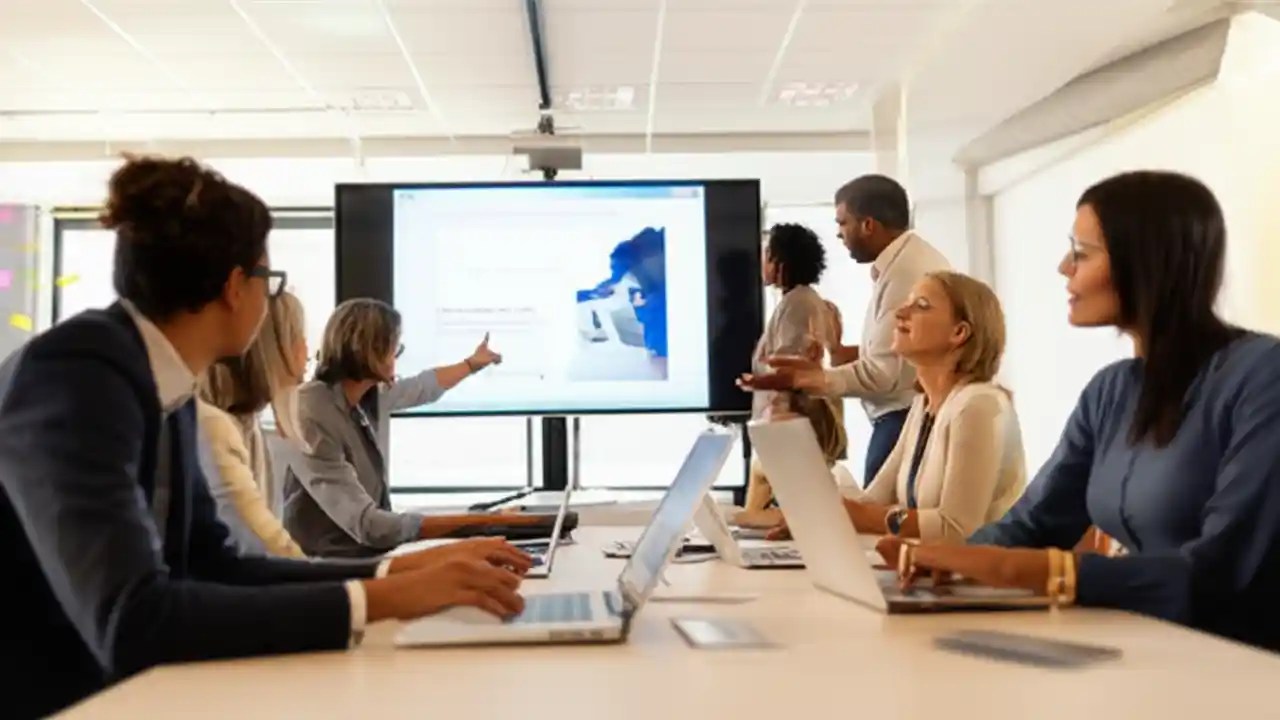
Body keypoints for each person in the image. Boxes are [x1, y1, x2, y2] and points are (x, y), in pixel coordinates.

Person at [0, 155, 532, 718]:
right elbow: (133, 621)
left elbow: (218, 566)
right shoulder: (75, 373)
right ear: (236, 286)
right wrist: (387, 596)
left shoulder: (161, 379)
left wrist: (401, 570)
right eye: (268, 278)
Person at [879, 171, 1280, 653]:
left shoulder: (1262, 375)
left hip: (1246, 666)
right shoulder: (1111, 391)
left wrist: (1051, 572)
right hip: (1154, 649)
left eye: (1082, 253)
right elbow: (1033, 525)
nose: (1063, 267)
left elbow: (1222, 569)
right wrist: (943, 561)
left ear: (1144, 262)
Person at [773, 271, 1025, 542]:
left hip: (981, 581)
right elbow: (871, 502)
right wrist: (811, 502)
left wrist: (843, 512)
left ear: (959, 332)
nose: (900, 313)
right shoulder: (923, 406)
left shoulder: (979, 405)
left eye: (922, 305)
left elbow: (956, 528)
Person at [284, 298, 542, 557]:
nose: (396, 357)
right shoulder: (311, 412)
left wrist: (471, 364)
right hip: (324, 569)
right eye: (394, 348)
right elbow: (367, 525)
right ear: (370, 349)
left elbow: (423, 387)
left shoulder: (369, 394)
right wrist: (481, 524)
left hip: (366, 555)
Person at [742, 175, 950, 484]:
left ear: (868, 225)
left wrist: (814, 378)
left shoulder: (907, 272)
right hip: (900, 413)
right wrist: (838, 355)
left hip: (899, 414)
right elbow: (890, 358)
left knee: (872, 518)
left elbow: (886, 373)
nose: (839, 235)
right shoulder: (902, 265)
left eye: (842, 224)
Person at [738, 223, 846, 516]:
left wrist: (756, 382)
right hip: (778, 428)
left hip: (788, 428)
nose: (762, 262)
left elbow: (792, 368)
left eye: (767, 255)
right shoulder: (795, 300)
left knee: (791, 515)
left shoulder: (799, 303)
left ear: (781, 262)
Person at [197, 290, 308, 557]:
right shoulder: (215, 431)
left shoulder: (250, 427)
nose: (305, 349)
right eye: (296, 336)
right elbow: (269, 547)